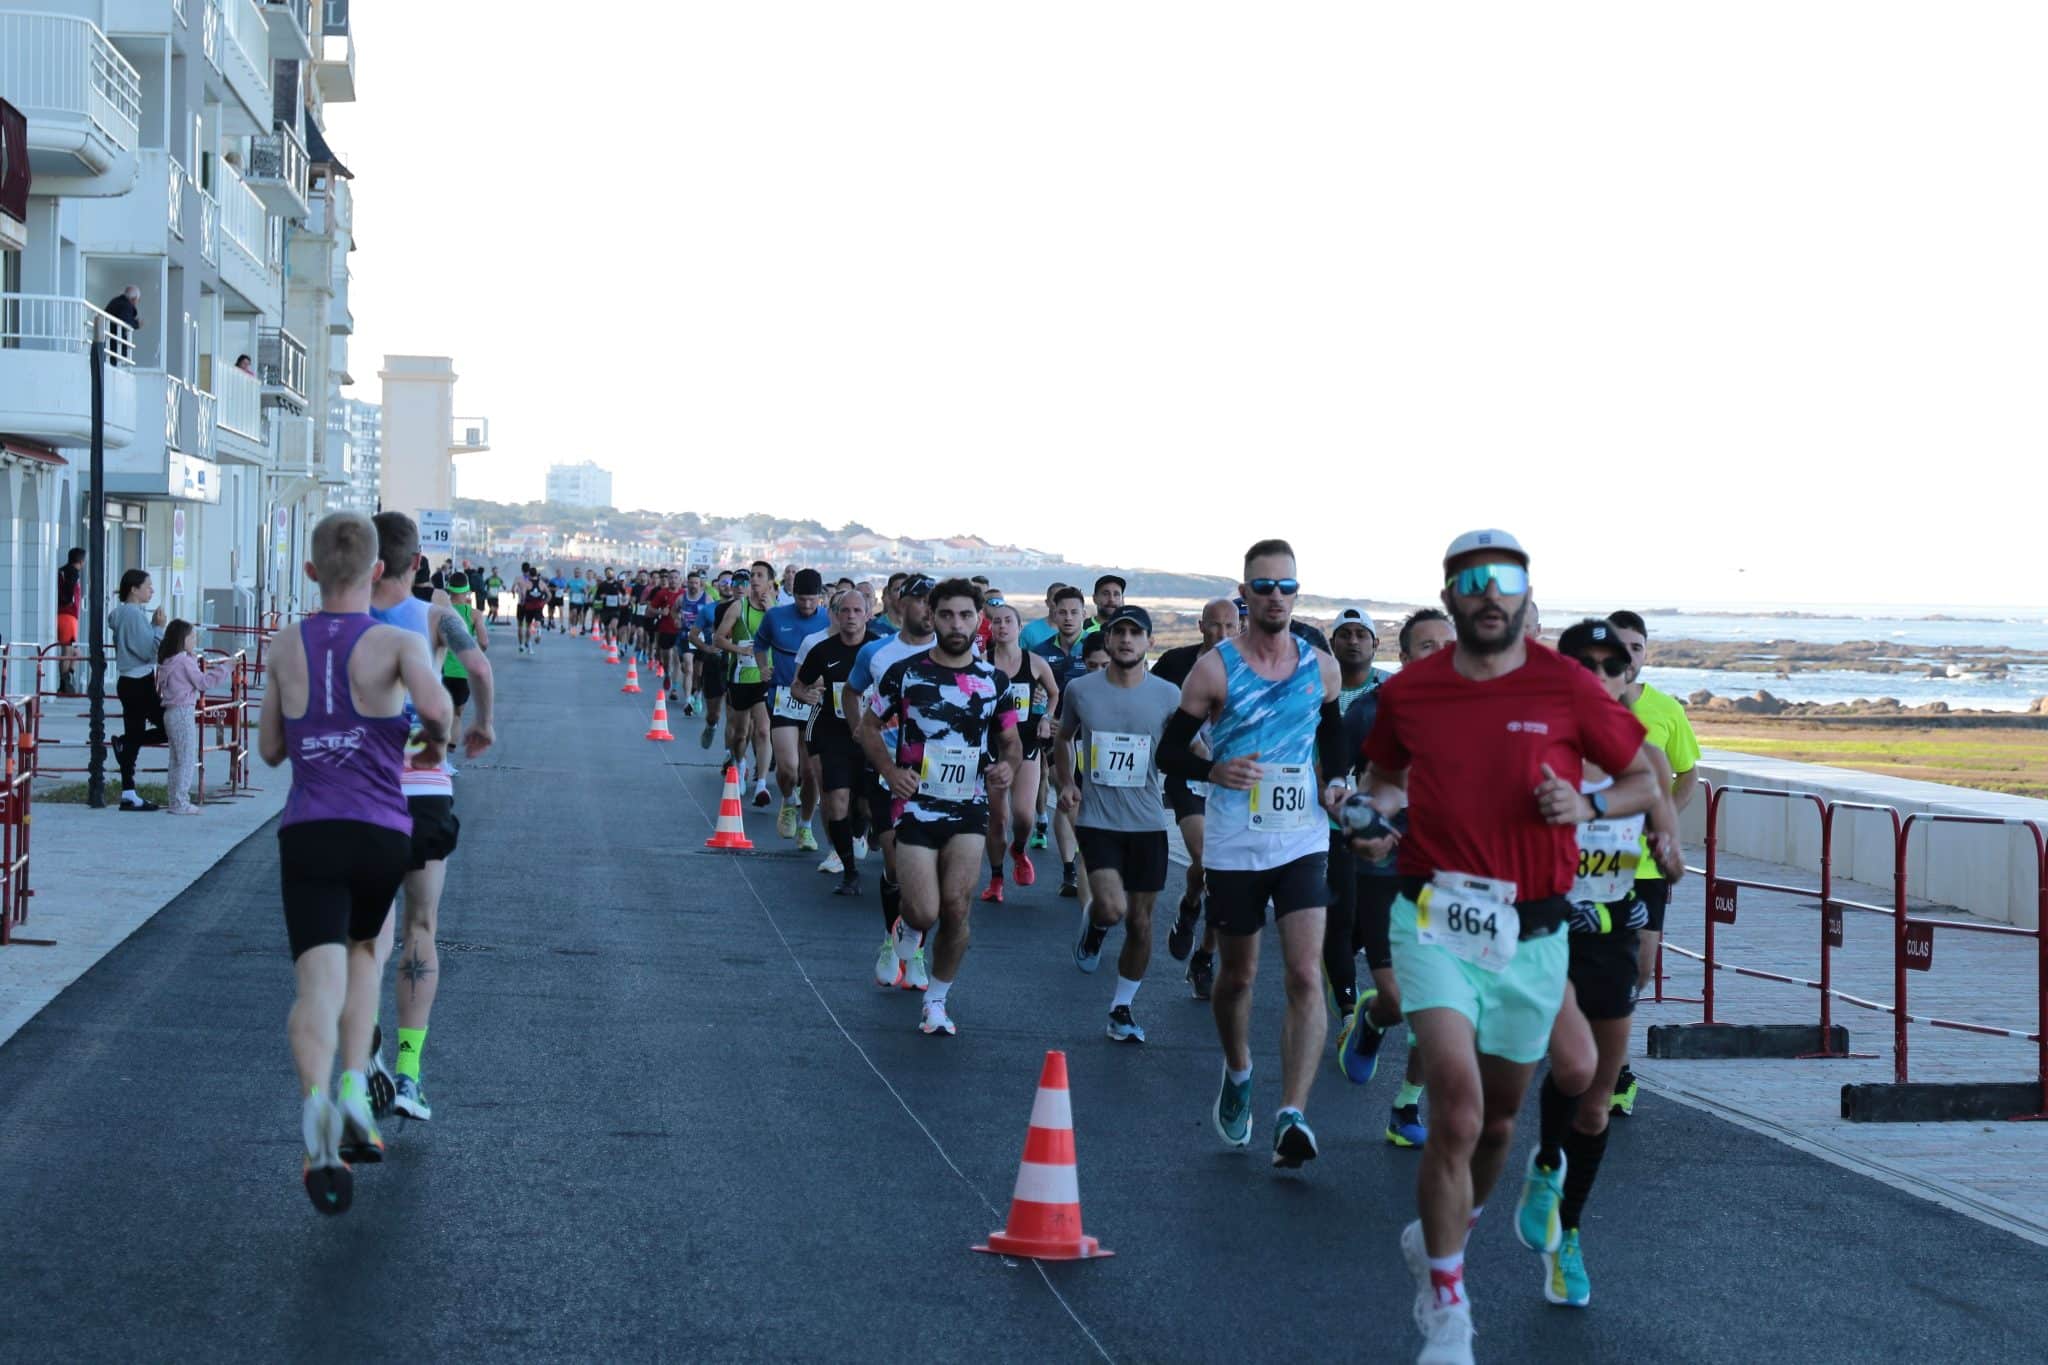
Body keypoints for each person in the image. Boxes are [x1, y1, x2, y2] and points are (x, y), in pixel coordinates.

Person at [1349, 530, 1666, 1364]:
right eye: (1472, 580)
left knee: (1495, 1126)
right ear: (1449, 595)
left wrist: (1589, 809)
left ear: (1527, 594)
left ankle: (1445, 1235)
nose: (1491, 592)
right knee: (1453, 1105)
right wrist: (1365, 824)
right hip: (1434, 916)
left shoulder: (1564, 683)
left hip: (1532, 932)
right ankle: (1448, 1310)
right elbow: (1378, 785)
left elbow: (1645, 777)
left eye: (1507, 579)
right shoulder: (1411, 693)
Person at [256, 511, 449, 1215]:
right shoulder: (398, 639)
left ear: (311, 572)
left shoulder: (284, 644)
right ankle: (351, 1089)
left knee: (317, 982)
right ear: (377, 572)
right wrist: (423, 748)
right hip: (379, 833)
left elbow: (273, 748)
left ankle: (315, 1106)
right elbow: (438, 711)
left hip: (308, 832)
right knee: (367, 949)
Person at [1516, 618, 1685, 1310]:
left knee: (1596, 1105)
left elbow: (1664, 831)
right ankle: (1544, 1163)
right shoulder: (1533, 749)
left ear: (1626, 681)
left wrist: (1670, 855)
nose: (1595, 674)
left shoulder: (1643, 754)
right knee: (1576, 1066)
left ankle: (1568, 1227)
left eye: (1610, 664)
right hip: (1545, 928)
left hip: (1614, 928)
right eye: (1580, 663)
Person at [1159, 540, 1344, 1169]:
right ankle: (1238, 1071)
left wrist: (1338, 781)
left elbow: (1333, 733)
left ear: (1298, 592)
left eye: (1286, 587)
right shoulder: (1215, 668)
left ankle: (1291, 1113)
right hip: (1236, 842)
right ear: (1245, 593)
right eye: (1263, 587)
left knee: (1301, 973)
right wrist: (1214, 770)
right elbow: (1169, 753)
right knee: (1238, 976)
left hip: (1303, 839)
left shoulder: (1320, 666)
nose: (1275, 597)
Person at [365, 513, 496, 1125]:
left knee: (363, 932)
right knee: (421, 926)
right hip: (423, 785)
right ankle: (411, 1074)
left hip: (357, 791)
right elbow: (479, 670)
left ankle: (365, 1055)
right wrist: (483, 724)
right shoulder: (438, 617)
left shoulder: (335, 621)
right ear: (417, 563)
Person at [857, 578, 1021, 1034]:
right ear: (932, 614)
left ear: (979, 620)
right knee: (924, 911)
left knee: (956, 907)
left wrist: (1007, 768)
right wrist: (891, 773)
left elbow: (1011, 742)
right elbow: (868, 728)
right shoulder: (906, 673)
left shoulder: (994, 682)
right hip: (914, 806)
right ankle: (906, 930)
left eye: (965, 615)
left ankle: (937, 1001)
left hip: (968, 807)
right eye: (946, 614)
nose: (956, 623)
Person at [1054, 605, 1179, 1042]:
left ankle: (1121, 1007)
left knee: (1142, 924)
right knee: (1112, 907)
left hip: (1148, 822)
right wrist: (1067, 781)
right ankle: (1095, 925)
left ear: (1148, 642)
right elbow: (1063, 738)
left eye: (1135, 633)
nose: (1126, 640)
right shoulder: (1081, 690)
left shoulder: (1168, 695)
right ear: (1107, 640)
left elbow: (1191, 746)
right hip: (1098, 818)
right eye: (1119, 632)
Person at [1604, 608, 1703, 1115]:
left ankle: (1608, 1056)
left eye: (1636, 648)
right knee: (1586, 969)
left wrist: (1666, 820)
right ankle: (1611, 1069)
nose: (1628, 657)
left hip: (1644, 867)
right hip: (1587, 867)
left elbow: (1687, 774)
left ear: (1645, 654)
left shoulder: (1665, 710)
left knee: (1639, 969)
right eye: (1617, 648)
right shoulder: (1577, 709)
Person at [846, 575, 938, 988]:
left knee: (931, 873)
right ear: (902, 603)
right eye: (920, 601)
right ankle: (892, 936)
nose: (928, 610)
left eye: (934, 602)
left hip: (937, 774)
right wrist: (858, 732)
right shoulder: (877, 650)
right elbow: (852, 692)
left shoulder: (957, 653)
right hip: (887, 768)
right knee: (896, 862)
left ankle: (915, 950)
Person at [1150, 596, 1235, 999]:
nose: (1221, 633)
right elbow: (1158, 715)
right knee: (1208, 860)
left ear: (1240, 629)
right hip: (1189, 777)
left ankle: (1203, 951)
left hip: (1233, 783)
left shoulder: (1249, 669)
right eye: (1214, 625)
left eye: (1230, 626)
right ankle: (1189, 907)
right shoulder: (1175, 663)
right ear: (1201, 626)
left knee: (1222, 879)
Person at [794, 587, 879, 895]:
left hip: (873, 735)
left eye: (858, 611)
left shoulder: (880, 650)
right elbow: (797, 686)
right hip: (835, 732)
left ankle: (863, 830)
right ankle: (850, 871)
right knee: (836, 801)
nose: (851, 617)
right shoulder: (823, 650)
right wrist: (808, 694)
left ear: (869, 614)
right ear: (836, 615)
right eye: (845, 611)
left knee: (867, 807)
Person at [977, 599, 1060, 903]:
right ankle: (997, 877)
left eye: (1007, 621)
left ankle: (1019, 849)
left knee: (1023, 816)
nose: (1001, 626)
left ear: (1018, 627)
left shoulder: (1035, 662)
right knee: (998, 819)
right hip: (991, 746)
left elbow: (1054, 692)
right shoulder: (980, 661)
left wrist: (1046, 719)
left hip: (1025, 743)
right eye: (996, 622)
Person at [754, 568, 830, 849]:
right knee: (788, 767)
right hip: (783, 695)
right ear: (792, 595)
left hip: (815, 699)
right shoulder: (776, 616)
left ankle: (806, 826)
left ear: (820, 597)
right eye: (801, 599)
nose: (807, 605)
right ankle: (788, 800)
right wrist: (763, 667)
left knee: (810, 772)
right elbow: (760, 644)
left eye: (812, 600)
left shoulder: (828, 619)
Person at [1031, 585, 1093, 894]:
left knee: (1086, 796)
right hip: (1056, 735)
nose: (1068, 618)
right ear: (1053, 614)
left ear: (1085, 614)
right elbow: (1029, 694)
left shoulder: (1095, 646)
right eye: (1062, 612)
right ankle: (1070, 868)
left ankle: (1085, 855)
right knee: (1066, 793)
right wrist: (1042, 713)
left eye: (1074, 612)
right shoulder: (1041, 652)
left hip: (1093, 735)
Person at [712, 562, 777, 806]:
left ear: (770, 582)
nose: (755, 579)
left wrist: (771, 610)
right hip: (740, 677)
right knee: (740, 734)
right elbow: (718, 638)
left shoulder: (777, 611)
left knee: (762, 729)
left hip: (765, 677)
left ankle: (761, 784)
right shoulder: (739, 606)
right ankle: (739, 764)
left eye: (760, 576)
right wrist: (739, 648)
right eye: (752, 575)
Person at [154, 621, 234, 815]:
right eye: (192, 637)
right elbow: (203, 682)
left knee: (176, 759)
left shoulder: (168, 660)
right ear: (183, 640)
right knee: (187, 759)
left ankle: (175, 800)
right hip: (183, 711)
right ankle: (181, 802)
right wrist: (226, 668)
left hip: (170, 712)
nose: (195, 640)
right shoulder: (184, 661)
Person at [109, 569, 169, 811]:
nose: (151, 590)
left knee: (134, 734)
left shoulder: (125, 614)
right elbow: (147, 651)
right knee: (167, 728)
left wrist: (153, 626)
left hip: (130, 679)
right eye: (148, 586)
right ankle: (124, 745)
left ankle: (128, 792)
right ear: (134, 589)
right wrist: (158, 628)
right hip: (139, 679)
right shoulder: (132, 615)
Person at [439, 572, 488, 750]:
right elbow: (484, 642)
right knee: (457, 714)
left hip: (440, 669)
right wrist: (476, 653)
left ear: (449, 588)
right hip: (462, 670)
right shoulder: (474, 614)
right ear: (467, 590)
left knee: (441, 713)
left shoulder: (438, 611)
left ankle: (439, 753)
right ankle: (448, 752)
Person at [57, 548, 85, 694]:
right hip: (68, 615)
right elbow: (68, 592)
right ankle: (64, 683)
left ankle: (68, 676)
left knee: (76, 652)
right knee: (67, 650)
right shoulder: (72, 572)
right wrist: (67, 601)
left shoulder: (61, 571)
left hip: (66, 615)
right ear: (81, 561)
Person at [104, 286, 141, 365]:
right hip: (114, 344)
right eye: (138, 300)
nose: (137, 302)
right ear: (134, 298)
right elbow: (126, 322)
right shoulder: (126, 306)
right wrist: (137, 324)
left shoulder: (116, 301)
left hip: (108, 340)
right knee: (113, 364)